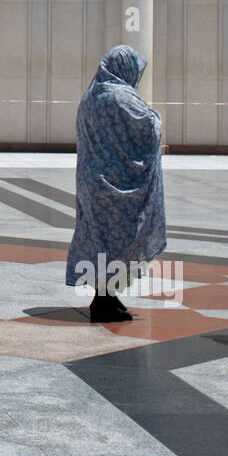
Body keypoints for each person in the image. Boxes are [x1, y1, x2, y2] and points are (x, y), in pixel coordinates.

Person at [66, 45, 166, 322]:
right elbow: (149, 126)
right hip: (117, 187)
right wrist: (156, 119)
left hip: (92, 183)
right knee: (124, 240)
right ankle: (103, 301)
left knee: (101, 241)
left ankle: (107, 296)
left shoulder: (92, 95)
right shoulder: (120, 96)